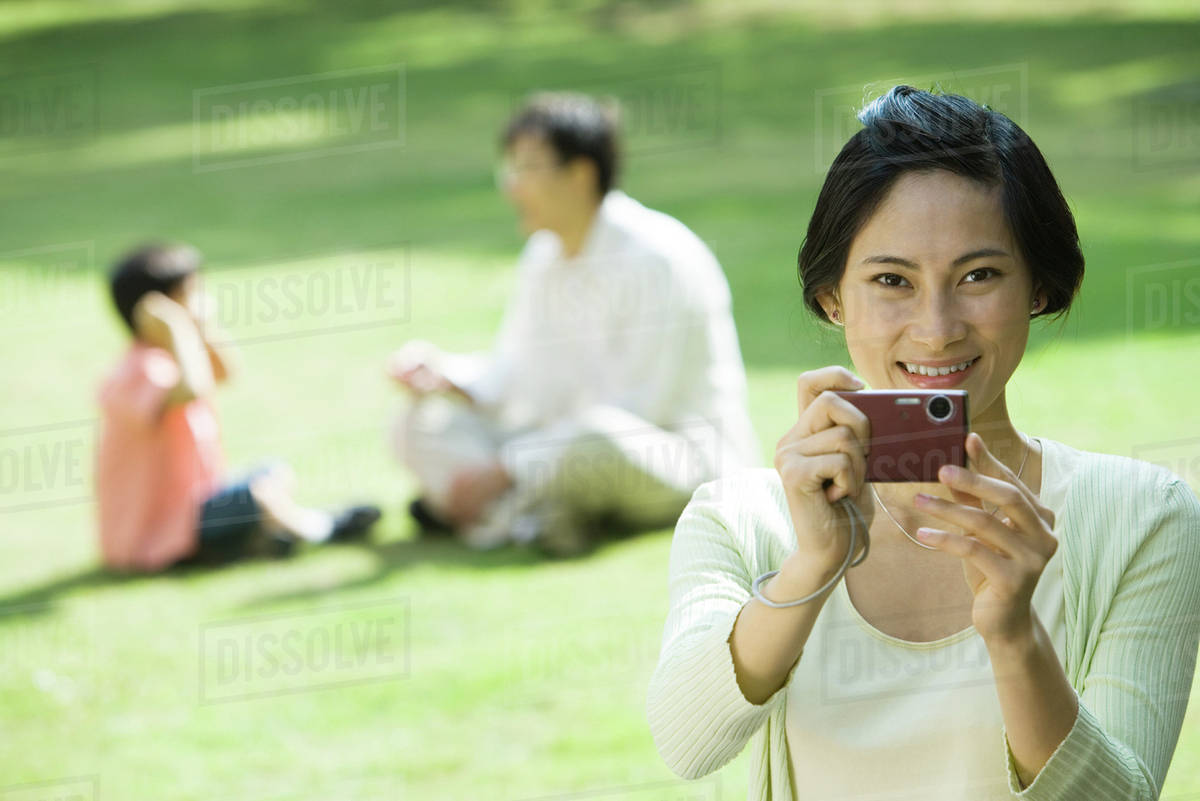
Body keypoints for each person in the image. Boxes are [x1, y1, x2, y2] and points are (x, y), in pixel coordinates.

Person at [646, 86, 1200, 800]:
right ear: (832, 298)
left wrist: (1013, 635)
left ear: (1037, 285)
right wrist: (812, 563)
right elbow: (687, 742)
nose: (937, 328)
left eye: (979, 275)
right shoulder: (741, 517)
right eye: (891, 280)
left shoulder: (1143, 516)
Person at [387, 93, 760, 557]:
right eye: (511, 169)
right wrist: (445, 376)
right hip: (552, 449)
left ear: (580, 174)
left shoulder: (657, 258)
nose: (511, 186)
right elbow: (513, 374)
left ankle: (507, 516)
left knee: (595, 438)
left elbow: (639, 410)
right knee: (422, 420)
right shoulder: (544, 254)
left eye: (526, 168)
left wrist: (507, 468)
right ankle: (539, 514)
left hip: (669, 458)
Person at [95, 243, 380, 572]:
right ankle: (320, 529)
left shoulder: (171, 359)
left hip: (191, 513)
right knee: (256, 492)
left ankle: (269, 534)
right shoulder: (138, 369)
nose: (202, 301)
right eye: (191, 293)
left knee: (271, 472)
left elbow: (226, 372)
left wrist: (203, 326)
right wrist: (177, 328)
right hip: (153, 536)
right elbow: (194, 388)